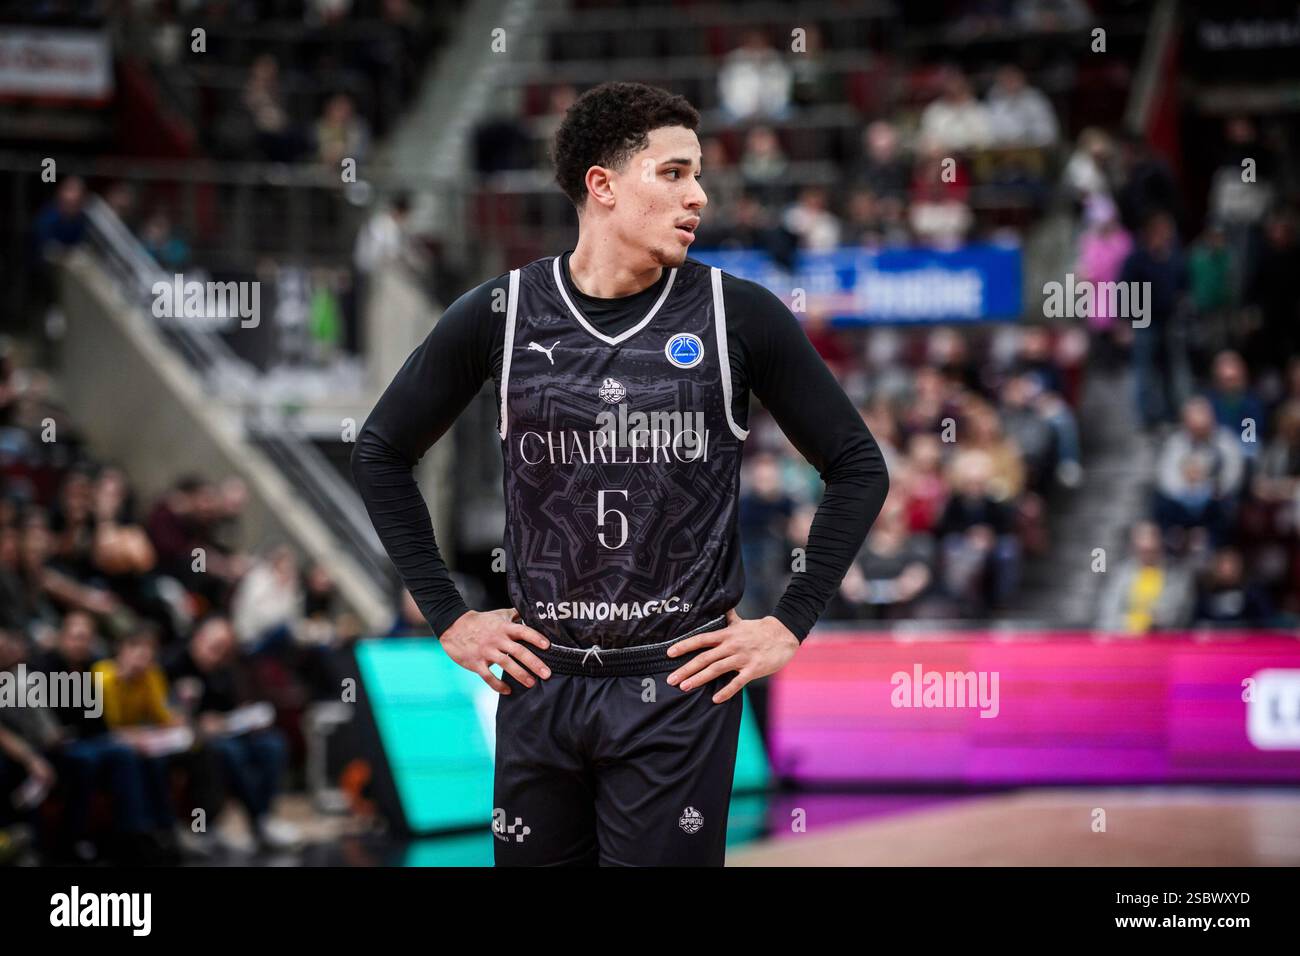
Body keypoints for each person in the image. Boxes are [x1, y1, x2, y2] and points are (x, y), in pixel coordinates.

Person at [352, 81, 889, 866]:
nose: (698, 195)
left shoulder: (735, 314)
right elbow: (380, 452)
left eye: (699, 174)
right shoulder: (501, 314)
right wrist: (450, 615)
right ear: (601, 186)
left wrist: (789, 622)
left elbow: (857, 465)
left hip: (676, 687)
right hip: (539, 683)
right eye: (673, 173)